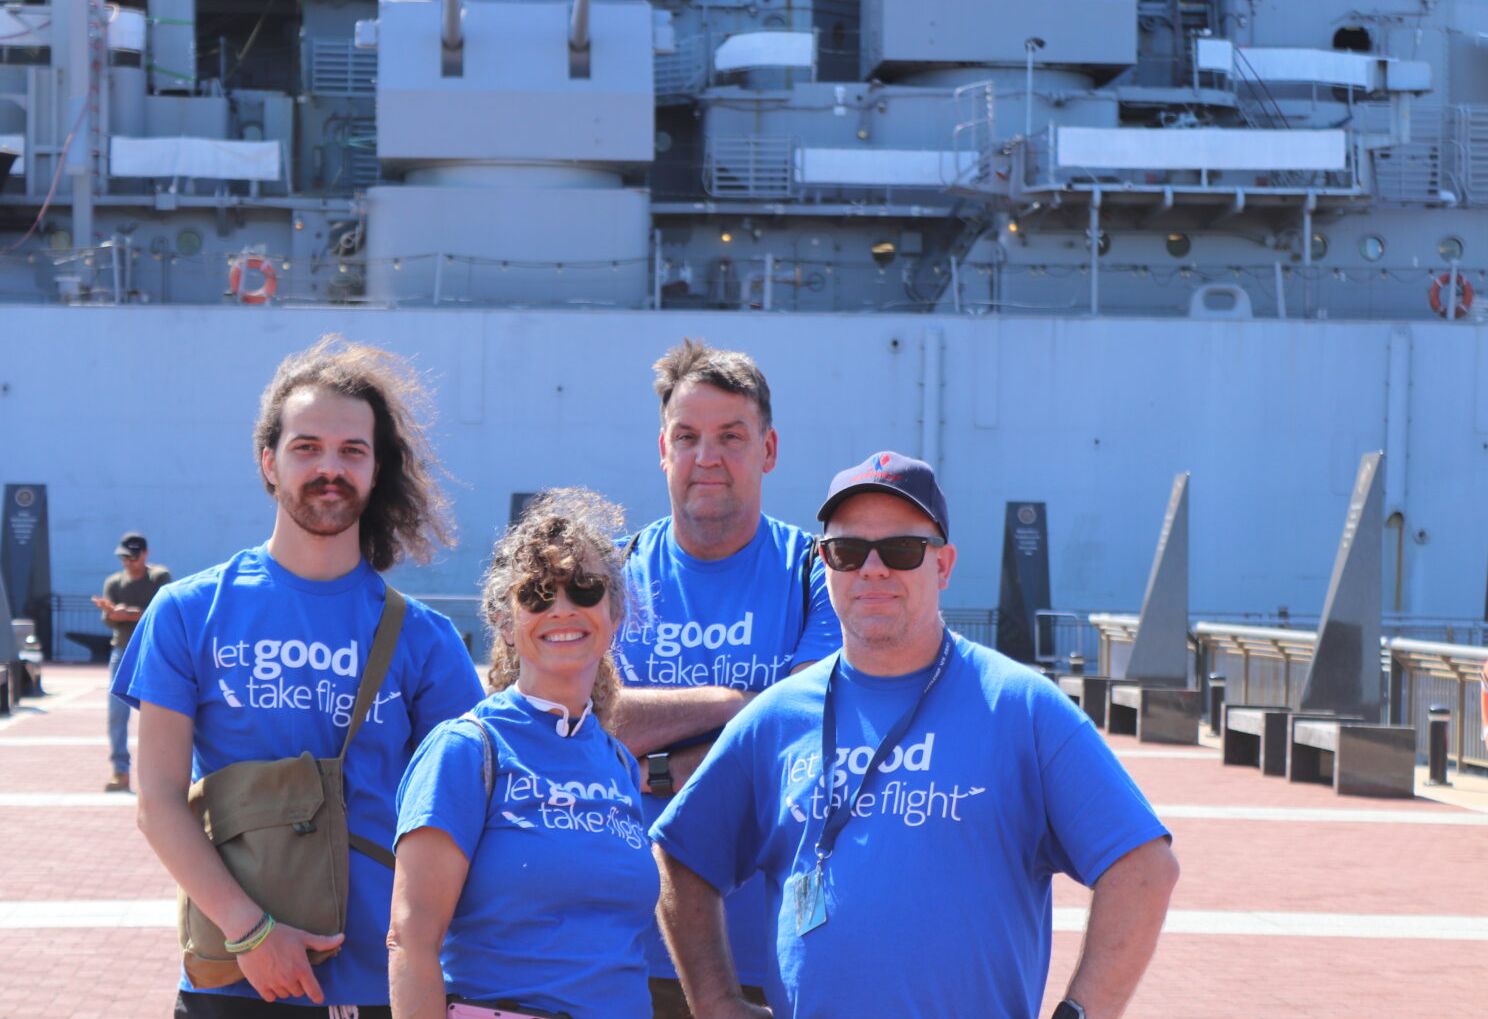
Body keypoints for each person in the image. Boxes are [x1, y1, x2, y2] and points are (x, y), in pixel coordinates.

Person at [651, 451, 1180, 1019]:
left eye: (901, 550)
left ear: (944, 565)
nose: (872, 569)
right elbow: (684, 855)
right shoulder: (775, 718)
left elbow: (1144, 868)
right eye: (848, 551)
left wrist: (1082, 1012)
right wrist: (712, 1001)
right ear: (825, 562)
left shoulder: (1021, 707)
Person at [112, 336, 484, 1018]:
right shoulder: (189, 612)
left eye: (352, 451)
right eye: (306, 447)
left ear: (376, 471)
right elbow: (157, 799)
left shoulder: (424, 638)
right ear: (268, 462)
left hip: (382, 977)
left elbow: (465, 813)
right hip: (233, 972)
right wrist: (250, 931)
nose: (330, 469)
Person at [615, 339, 841, 1016]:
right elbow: (596, 719)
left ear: (768, 451)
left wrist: (657, 764)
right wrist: (748, 705)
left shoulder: (819, 573)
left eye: (730, 437)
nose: (705, 458)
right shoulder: (614, 573)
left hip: (777, 951)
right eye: (686, 437)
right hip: (627, 950)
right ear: (663, 450)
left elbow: (808, 735)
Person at [388, 488, 656, 1019]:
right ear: (506, 623)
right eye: (536, 593)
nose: (561, 608)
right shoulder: (466, 750)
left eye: (584, 588)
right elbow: (409, 940)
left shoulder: (618, 762)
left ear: (615, 613)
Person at [92, 531, 171, 792]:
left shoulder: (159, 577)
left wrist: (127, 614)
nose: (128, 562)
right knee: (116, 714)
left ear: (145, 555)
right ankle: (120, 771)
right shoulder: (114, 582)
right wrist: (115, 614)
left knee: (161, 714)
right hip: (122, 651)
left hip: (152, 651)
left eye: (133, 557)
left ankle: (163, 774)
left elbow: (161, 612)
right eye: (124, 557)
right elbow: (109, 621)